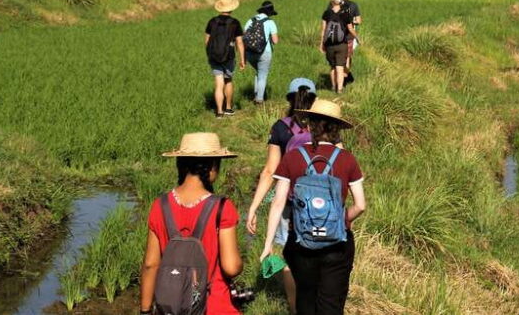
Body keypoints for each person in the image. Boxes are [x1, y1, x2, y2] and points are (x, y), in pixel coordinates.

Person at [259, 99, 366, 315]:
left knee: (306, 301)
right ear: (337, 129)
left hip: (301, 241)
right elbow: (361, 206)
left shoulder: (293, 157)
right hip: (338, 243)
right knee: (331, 305)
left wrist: (268, 244)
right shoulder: (347, 160)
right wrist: (341, 220)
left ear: (309, 126)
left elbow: (278, 202)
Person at [140, 132, 243, 315]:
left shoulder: (160, 205)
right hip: (214, 306)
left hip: (172, 306)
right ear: (212, 167)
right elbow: (231, 266)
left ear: (180, 164)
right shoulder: (222, 207)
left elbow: (150, 264)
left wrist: (145, 310)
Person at [245, 77, 317, 315]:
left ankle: (296, 308)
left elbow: (269, 171)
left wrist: (253, 208)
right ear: (314, 100)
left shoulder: (281, 128)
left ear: (289, 99)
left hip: (287, 203)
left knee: (288, 256)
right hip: (319, 203)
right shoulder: (324, 127)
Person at [205, 0, 246, 118]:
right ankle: (228, 108)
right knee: (228, 81)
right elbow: (239, 43)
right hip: (229, 57)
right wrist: (242, 59)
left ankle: (219, 112)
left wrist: (211, 54)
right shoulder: (235, 23)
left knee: (219, 84)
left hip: (214, 57)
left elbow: (207, 41)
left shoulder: (212, 21)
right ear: (231, 8)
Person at [320, 0, 359, 94]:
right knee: (340, 67)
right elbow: (350, 29)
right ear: (340, 2)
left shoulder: (326, 13)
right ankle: (340, 89)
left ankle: (333, 86)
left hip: (329, 45)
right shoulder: (345, 14)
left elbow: (323, 30)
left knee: (333, 67)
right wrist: (357, 38)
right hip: (342, 44)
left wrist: (321, 44)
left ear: (332, 2)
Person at [243, 1, 280, 105]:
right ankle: (259, 99)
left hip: (250, 53)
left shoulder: (250, 20)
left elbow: (244, 36)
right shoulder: (270, 22)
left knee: (258, 73)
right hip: (264, 53)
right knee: (262, 75)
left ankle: (256, 94)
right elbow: (275, 41)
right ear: (270, 13)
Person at [333, 0, 361, 85]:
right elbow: (359, 21)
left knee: (336, 59)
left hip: (335, 36)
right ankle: (344, 79)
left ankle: (336, 82)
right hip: (349, 35)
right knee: (347, 58)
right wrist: (351, 20)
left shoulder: (333, 4)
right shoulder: (353, 5)